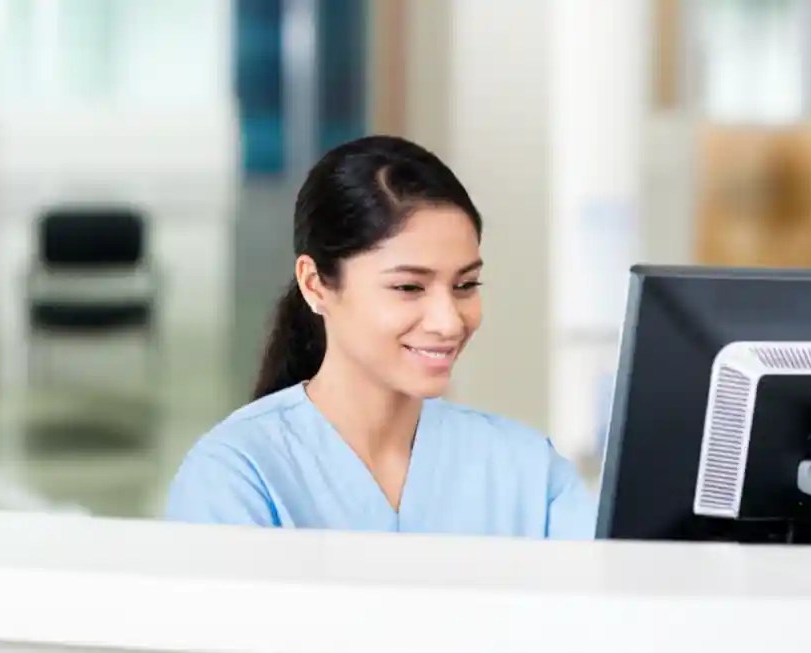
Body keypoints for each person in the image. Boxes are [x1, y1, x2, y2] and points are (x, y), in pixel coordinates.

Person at [164, 135, 596, 539]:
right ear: (315, 284)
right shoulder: (237, 475)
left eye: (465, 286)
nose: (448, 322)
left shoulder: (530, 473)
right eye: (409, 287)